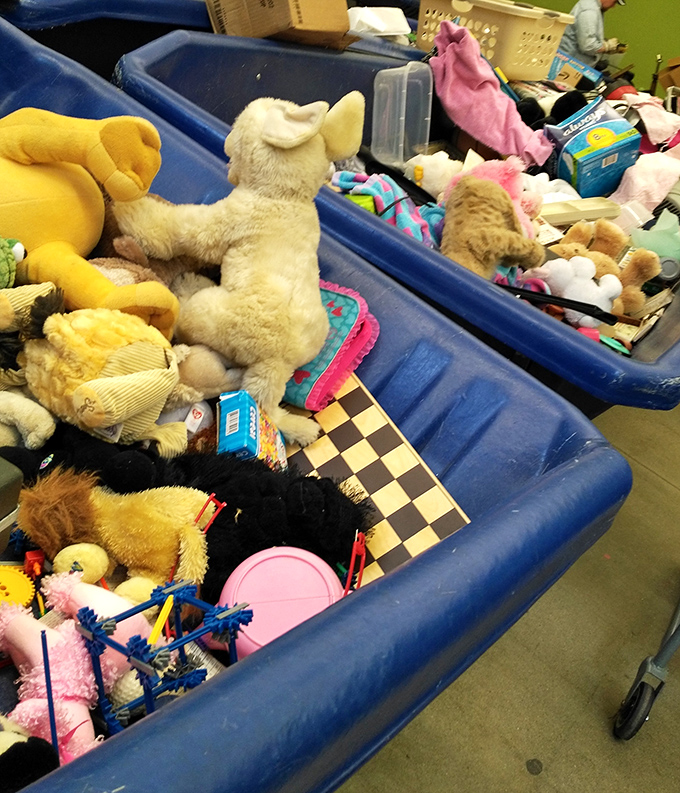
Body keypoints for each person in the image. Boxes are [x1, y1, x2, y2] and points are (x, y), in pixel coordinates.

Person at [560, 0, 626, 69]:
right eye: (614, 2)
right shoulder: (589, 11)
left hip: (570, 62)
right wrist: (607, 47)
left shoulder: (591, 6)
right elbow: (588, 46)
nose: (613, 6)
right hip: (569, 66)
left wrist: (603, 45)